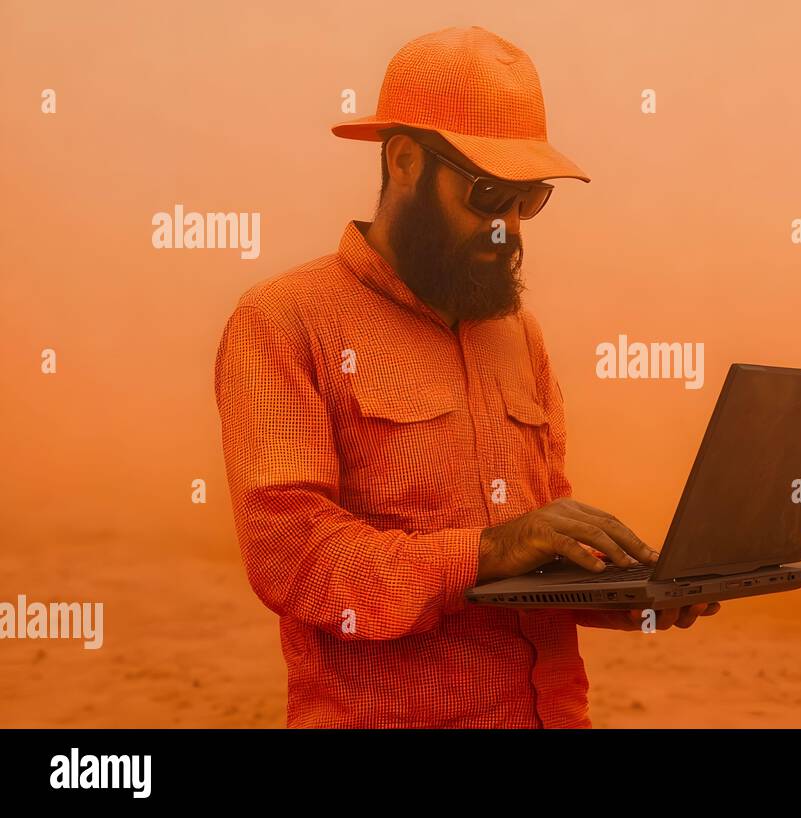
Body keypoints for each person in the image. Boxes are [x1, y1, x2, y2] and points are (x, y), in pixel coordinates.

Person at [213, 26, 719, 729]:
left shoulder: (516, 334)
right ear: (405, 161)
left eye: (528, 200)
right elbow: (296, 558)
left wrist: (634, 589)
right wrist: (490, 549)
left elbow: (531, 565)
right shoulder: (284, 321)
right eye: (487, 195)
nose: (508, 229)